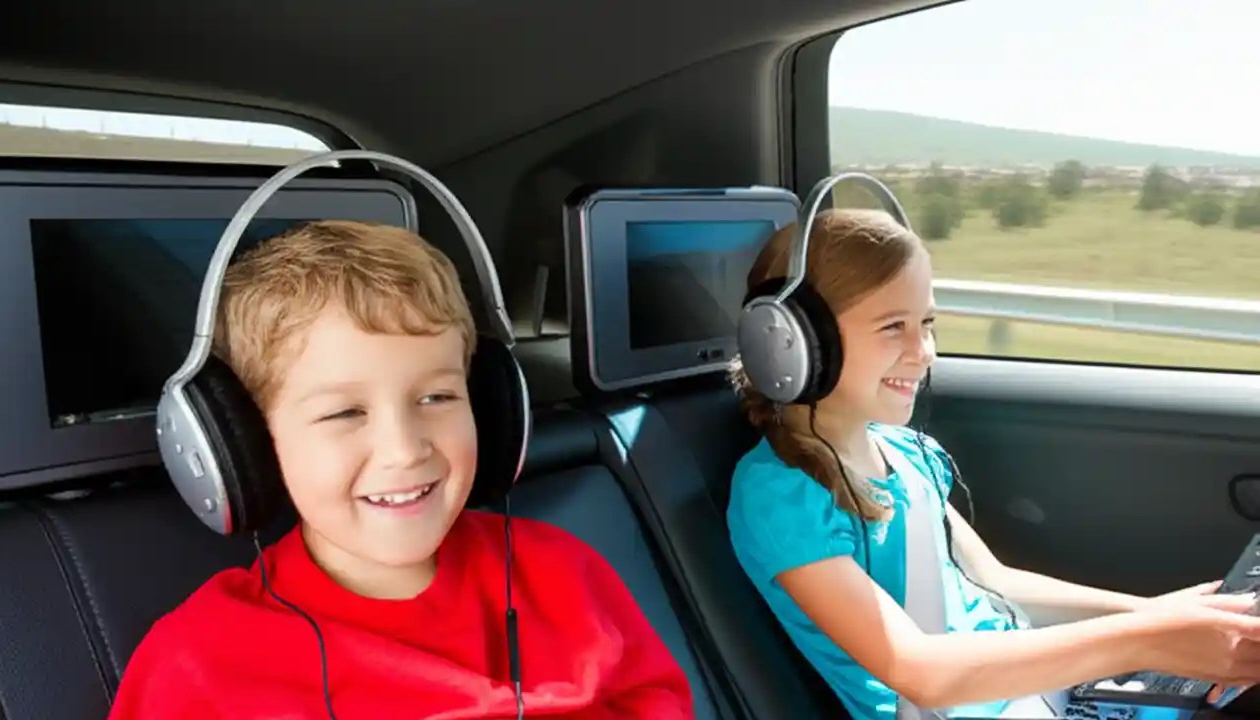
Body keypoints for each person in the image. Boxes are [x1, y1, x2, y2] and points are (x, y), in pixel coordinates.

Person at [109, 220, 693, 719]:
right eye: (344, 412)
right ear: (253, 446)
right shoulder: (199, 662)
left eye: (437, 398)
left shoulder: (564, 574)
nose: (404, 449)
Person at [726, 208, 1260, 720]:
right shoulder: (780, 497)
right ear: (795, 345)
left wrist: (1154, 614)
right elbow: (921, 673)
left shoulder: (901, 452)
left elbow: (995, 581)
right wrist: (1145, 642)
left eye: (927, 322)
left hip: (1034, 691)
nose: (925, 350)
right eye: (893, 326)